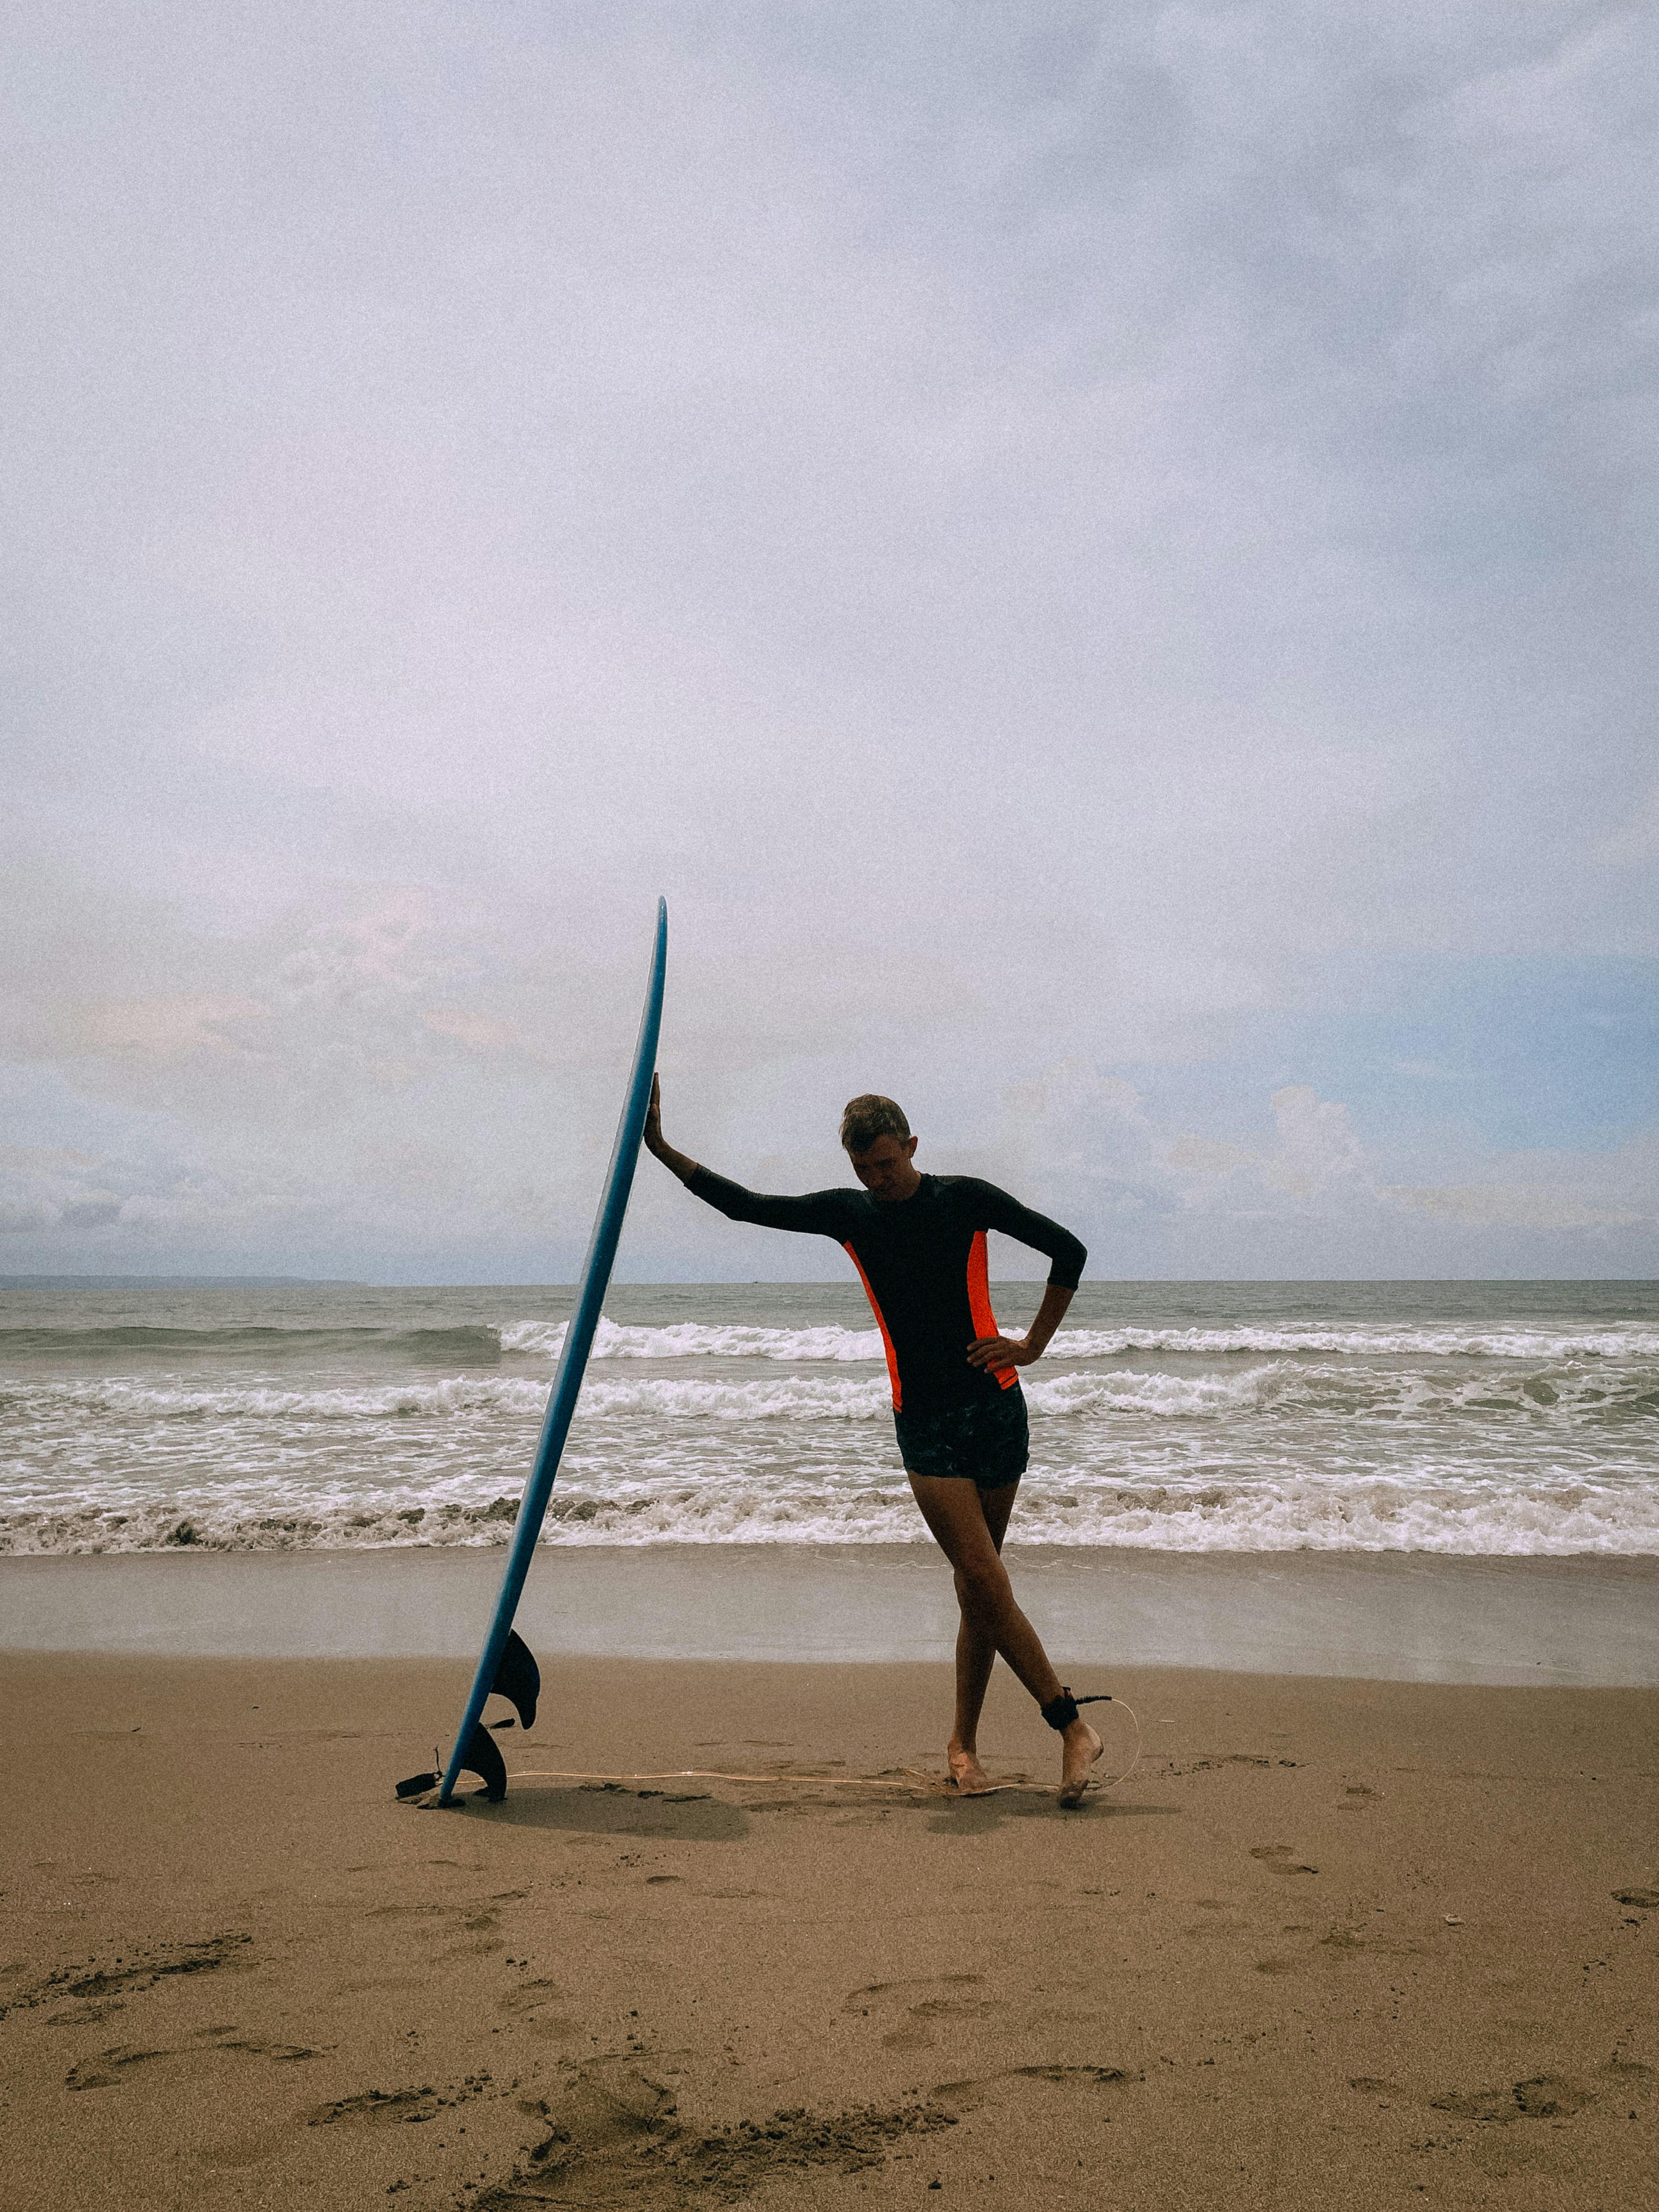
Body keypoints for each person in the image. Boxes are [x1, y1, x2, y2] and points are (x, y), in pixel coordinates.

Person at [644, 1080, 1102, 1806]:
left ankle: (962, 1745)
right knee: (984, 1581)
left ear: (912, 1147)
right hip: (922, 1420)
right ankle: (1070, 1724)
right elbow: (745, 1205)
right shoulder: (849, 1214)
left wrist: (1032, 1345)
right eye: (865, 1170)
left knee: (980, 1589)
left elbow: (1068, 1251)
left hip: (995, 1410)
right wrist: (662, 1150)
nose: (877, 1181)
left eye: (886, 1165)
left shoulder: (966, 1198)